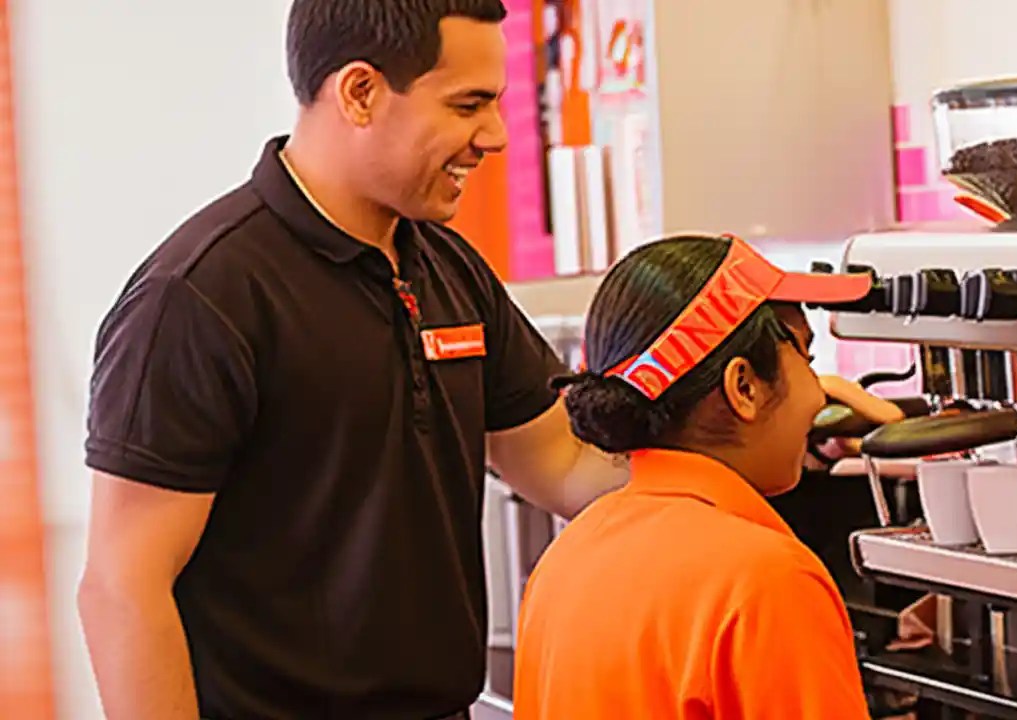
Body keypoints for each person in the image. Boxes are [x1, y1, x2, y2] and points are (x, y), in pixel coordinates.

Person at [76, 2, 630, 718]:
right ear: (360, 92)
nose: (492, 137)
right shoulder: (199, 298)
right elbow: (122, 590)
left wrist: (742, 447)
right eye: (469, 105)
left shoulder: (447, 269)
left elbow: (564, 465)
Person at [513, 234, 892, 720]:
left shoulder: (566, 557)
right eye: (807, 360)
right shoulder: (768, 583)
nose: (821, 398)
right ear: (743, 387)